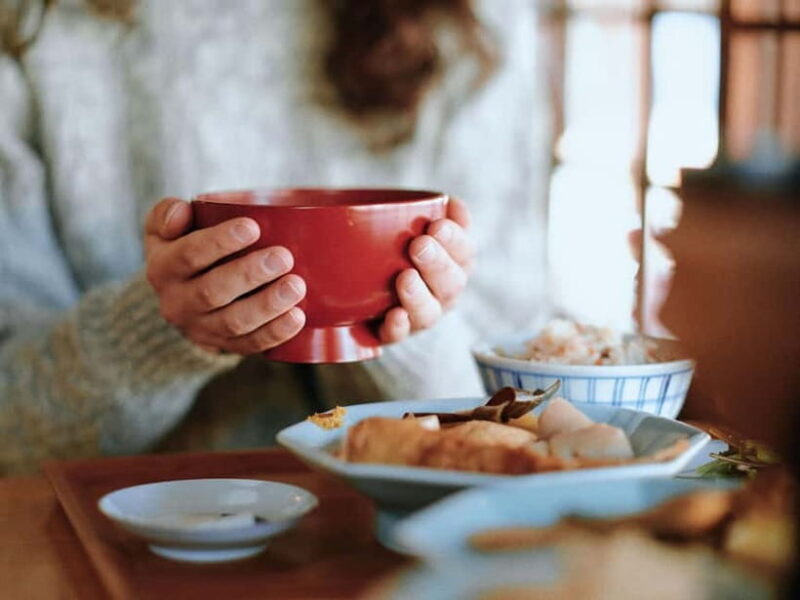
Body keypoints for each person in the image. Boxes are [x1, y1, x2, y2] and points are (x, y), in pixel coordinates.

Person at [0, 0, 549, 474]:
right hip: (114, 540)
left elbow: (528, 413)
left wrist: (403, 325)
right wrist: (162, 331)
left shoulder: (474, 24)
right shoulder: (32, 23)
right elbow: (11, 431)